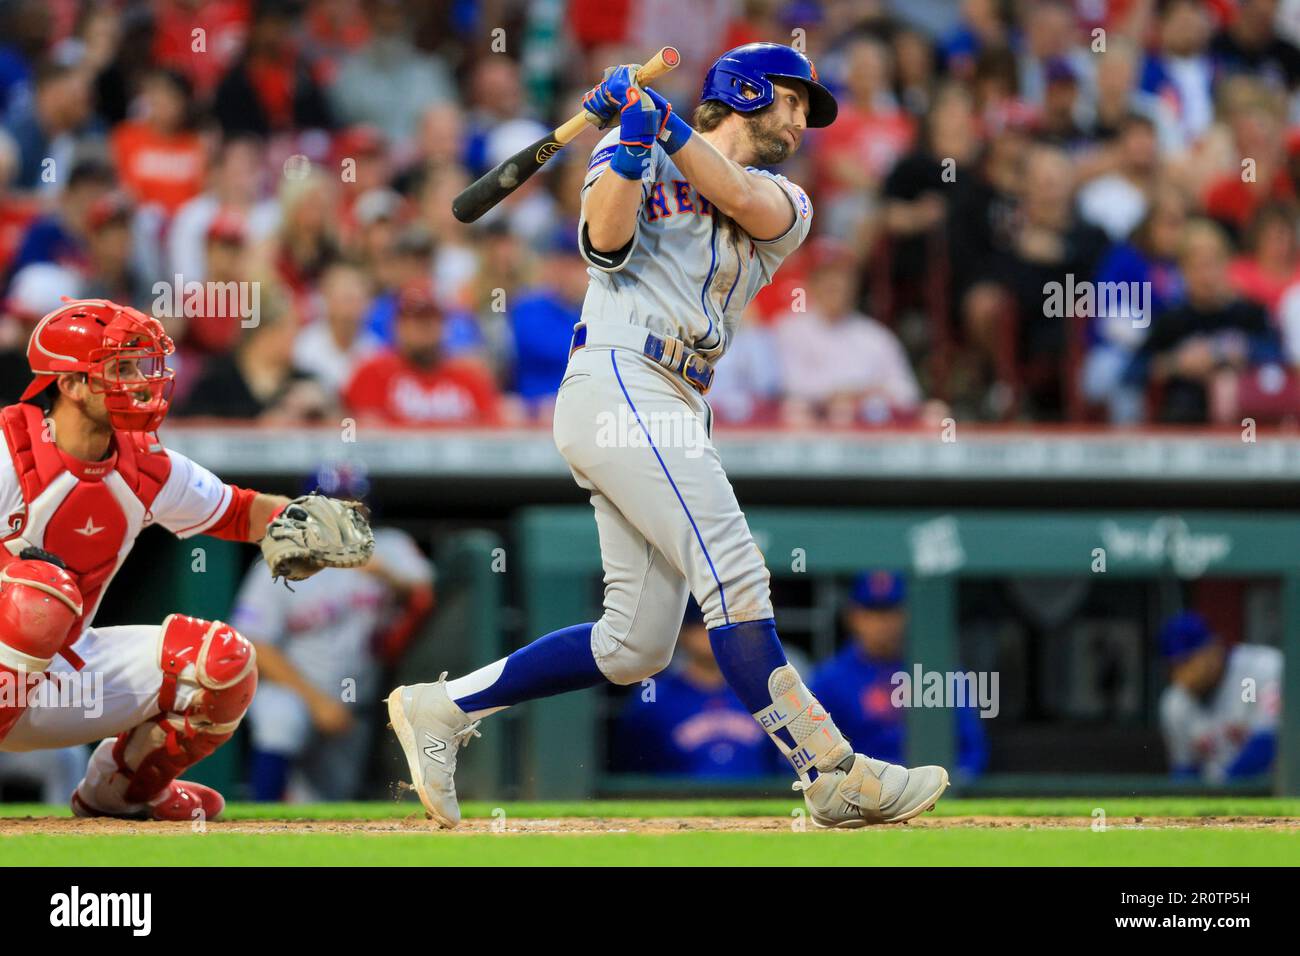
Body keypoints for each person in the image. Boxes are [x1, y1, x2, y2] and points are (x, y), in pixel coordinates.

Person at [386, 43, 950, 829]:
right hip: (620, 374)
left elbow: (745, 202)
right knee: (735, 572)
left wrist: (666, 128)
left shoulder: (789, 197)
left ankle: (441, 706)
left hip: (680, 396)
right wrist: (631, 143)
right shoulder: (636, 150)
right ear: (748, 92)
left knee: (636, 645)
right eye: (791, 101)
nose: (801, 120)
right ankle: (831, 772)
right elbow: (603, 244)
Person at [0, 297, 366, 820]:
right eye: (121, 368)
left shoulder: (146, 466)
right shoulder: (9, 452)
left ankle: (121, 793)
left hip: (60, 676)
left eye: (143, 365)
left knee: (224, 662)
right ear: (72, 383)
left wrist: (305, 523)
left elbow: (240, 511)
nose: (142, 381)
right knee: (40, 592)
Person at [229, 463, 434, 801]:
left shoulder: (389, 546)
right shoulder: (284, 557)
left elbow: (425, 592)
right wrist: (316, 702)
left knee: (329, 802)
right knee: (281, 720)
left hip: (358, 705)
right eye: (335, 500)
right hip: (295, 690)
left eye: (354, 500)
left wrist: (388, 577)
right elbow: (254, 642)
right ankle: (258, 814)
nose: (346, 508)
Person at [811, 571, 988, 781]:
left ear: (909, 613)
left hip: (927, 791)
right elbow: (808, 755)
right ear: (853, 616)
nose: (882, 623)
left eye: (891, 611)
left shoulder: (939, 672)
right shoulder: (829, 680)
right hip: (857, 794)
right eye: (873, 611)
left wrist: (949, 784)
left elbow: (971, 749)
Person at [613, 601, 785, 778]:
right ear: (683, 632)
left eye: (722, 625)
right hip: (678, 801)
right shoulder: (654, 697)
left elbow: (782, 764)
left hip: (756, 800)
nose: (711, 633)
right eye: (702, 624)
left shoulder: (765, 691)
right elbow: (633, 770)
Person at [1158, 611, 1281, 784]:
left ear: (1213, 648)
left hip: (1276, 793)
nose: (1181, 675)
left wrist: (1221, 789)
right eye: (1173, 666)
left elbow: (1270, 743)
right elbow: (1184, 771)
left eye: (1187, 661)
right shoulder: (1175, 702)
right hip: (1219, 803)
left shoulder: (1263, 668)